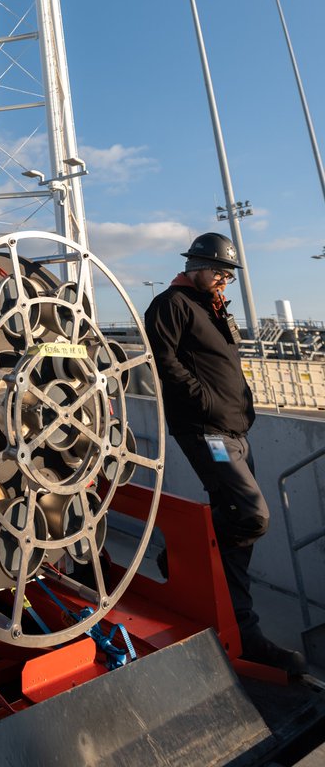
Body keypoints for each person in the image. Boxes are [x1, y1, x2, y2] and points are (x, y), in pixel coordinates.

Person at [144, 232, 305, 675]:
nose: (223, 281)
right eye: (219, 272)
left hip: (235, 430)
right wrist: (208, 404)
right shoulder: (171, 305)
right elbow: (166, 364)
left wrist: (244, 405)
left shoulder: (214, 308)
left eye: (228, 276)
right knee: (251, 514)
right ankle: (182, 552)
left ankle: (242, 626)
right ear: (195, 265)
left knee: (238, 529)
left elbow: (227, 367)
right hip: (207, 433)